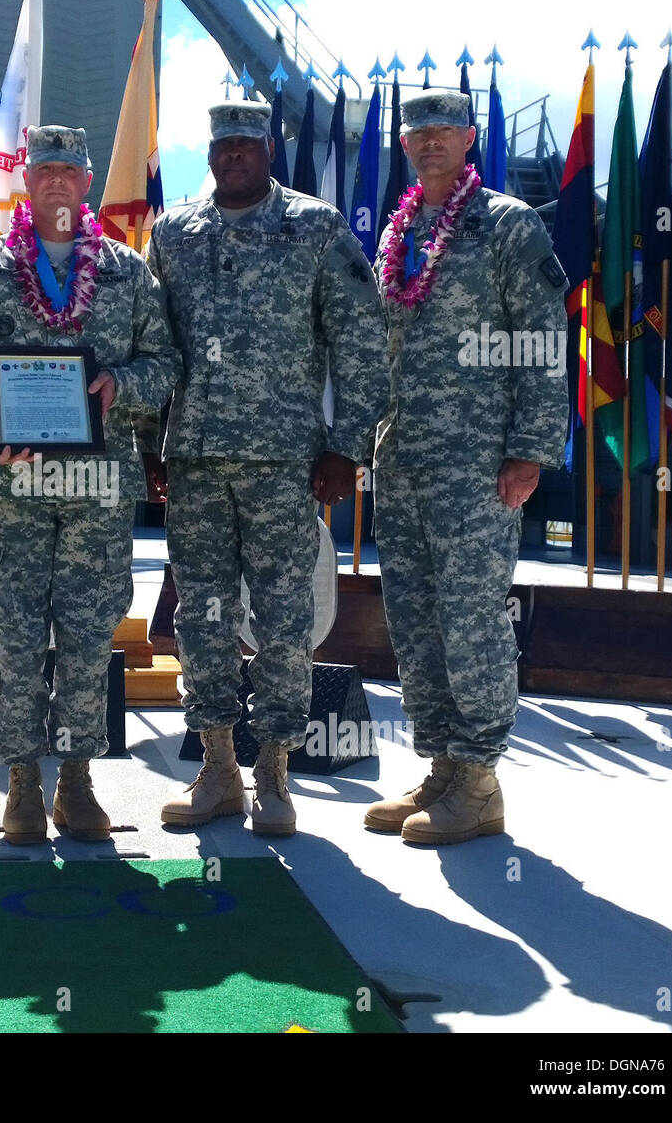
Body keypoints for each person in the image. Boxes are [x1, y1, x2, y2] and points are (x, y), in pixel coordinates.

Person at [146, 100, 388, 836]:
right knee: (203, 618)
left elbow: (362, 341)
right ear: (210, 151)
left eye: (248, 143)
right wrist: (152, 443)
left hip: (288, 463)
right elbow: (154, 346)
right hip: (194, 463)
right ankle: (219, 767)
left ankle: (276, 771)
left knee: (285, 618)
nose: (235, 155)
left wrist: (347, 444)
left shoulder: (315, 229)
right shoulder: (173, 235)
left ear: (271, 147)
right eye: (223, 145)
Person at [0, 125, 180, 843]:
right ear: (27, 183)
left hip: (98, 486)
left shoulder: (127, 272)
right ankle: (21, 781)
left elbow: (165, 362)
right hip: (9, 483)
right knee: (12, 637)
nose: (54, 183)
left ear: (85, 185)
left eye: (67, 172)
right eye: (41, 171)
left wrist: (122, 385)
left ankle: (75, 780)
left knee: (87, 634)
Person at [366, 90, 568, 845]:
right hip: (405, 453)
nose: (430, 144)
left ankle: (481, 778)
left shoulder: (508, 224)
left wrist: (530, 450)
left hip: (479, 461)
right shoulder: (399, 230)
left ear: (470, 137)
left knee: (472, 613)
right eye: (418, 134)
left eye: (444, 131)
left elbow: (545, 337)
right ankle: (443, 764)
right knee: (414, 614)